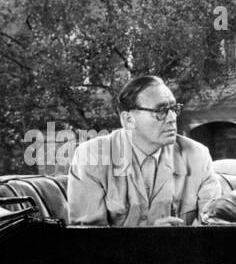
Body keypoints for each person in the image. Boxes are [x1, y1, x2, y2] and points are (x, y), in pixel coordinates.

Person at [68, 75, 222, 226]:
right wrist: (150, 241)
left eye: (174, 108)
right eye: (161, 110)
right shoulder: (92, 157)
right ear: (128, 120)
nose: (172, 117)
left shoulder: (197, 156)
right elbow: (87, 240)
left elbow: (215, 230)